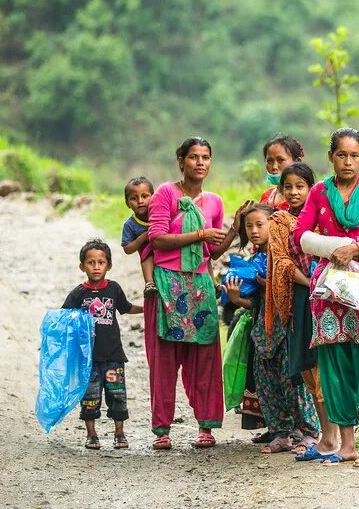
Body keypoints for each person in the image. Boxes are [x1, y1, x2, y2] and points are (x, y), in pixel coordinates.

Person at [293, 128, 359, 466]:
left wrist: (355, 248)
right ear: (331, 157)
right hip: (329, 291)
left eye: (354, 155)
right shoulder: (319, 193)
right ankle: (347, 446)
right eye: (342, 155)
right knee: (336, 364)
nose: (348, 161)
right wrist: (332, 247)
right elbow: (300, 234)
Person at [146, 137, 228, 450]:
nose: (200, 163)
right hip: (168, 282)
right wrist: (200, 234)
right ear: (181, 161)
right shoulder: (165, 193)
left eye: (205, 157)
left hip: (200, 285)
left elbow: (213, 251)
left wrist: (234, 230)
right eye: (193, 157)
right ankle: (162, 430)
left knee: (204, 358)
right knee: (165, 360)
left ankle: (206, 427)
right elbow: (157, 239)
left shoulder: (215, 202)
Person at [225, 203, 319, 454]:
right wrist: (236, 299)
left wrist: (271, 283)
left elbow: (297, 290)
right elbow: (255, 303)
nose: (254, 231)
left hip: (288, 331)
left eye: (260, 225)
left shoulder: (290, 256)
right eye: (249, 226)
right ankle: (280, 433)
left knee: (295, 383)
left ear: (274, 226)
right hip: (263, 332)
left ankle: (308, 433)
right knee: (268, 383)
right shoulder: (255, 262)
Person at [266, 163, 341, 460]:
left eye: (300, 186)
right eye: (288, 187)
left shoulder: (324, 216)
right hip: (300, 297)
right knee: (310, 367)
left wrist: (321, 283)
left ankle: (334, 437)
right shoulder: (279, 221)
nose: (294, 192)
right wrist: (310, 282)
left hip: (328, 296)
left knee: (327, 365)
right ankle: (326, 437)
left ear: (311, 188)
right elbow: (282, 262)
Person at [62, 239, 143, 449]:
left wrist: (147, 308)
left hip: (114, 356)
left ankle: (119, 433)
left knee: (118, 396)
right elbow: (65, 318)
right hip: (88, 359)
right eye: (91, 263)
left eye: (101, 262)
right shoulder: (78, 293)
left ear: (109, 265)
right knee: (90, 399)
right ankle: (91, 435)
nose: (96, 267)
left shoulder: (114, 289)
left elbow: (126, 308)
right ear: (82, 266)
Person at [121, 177, 157, 298]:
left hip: (167, 250)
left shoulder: (160, 214)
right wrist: (143, 237)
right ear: (127, 203)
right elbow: (127, 249)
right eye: (134, 198)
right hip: (148, 257)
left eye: (145, 196)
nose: (140, 201)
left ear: (154, 197)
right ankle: (149, 284)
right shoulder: (130, 225)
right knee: (147, 255)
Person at [259, 135, 304, 210]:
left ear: (297, 162)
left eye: (280, 160)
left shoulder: (308, 197)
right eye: (269, 161)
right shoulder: (266, 196)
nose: (274, 167)